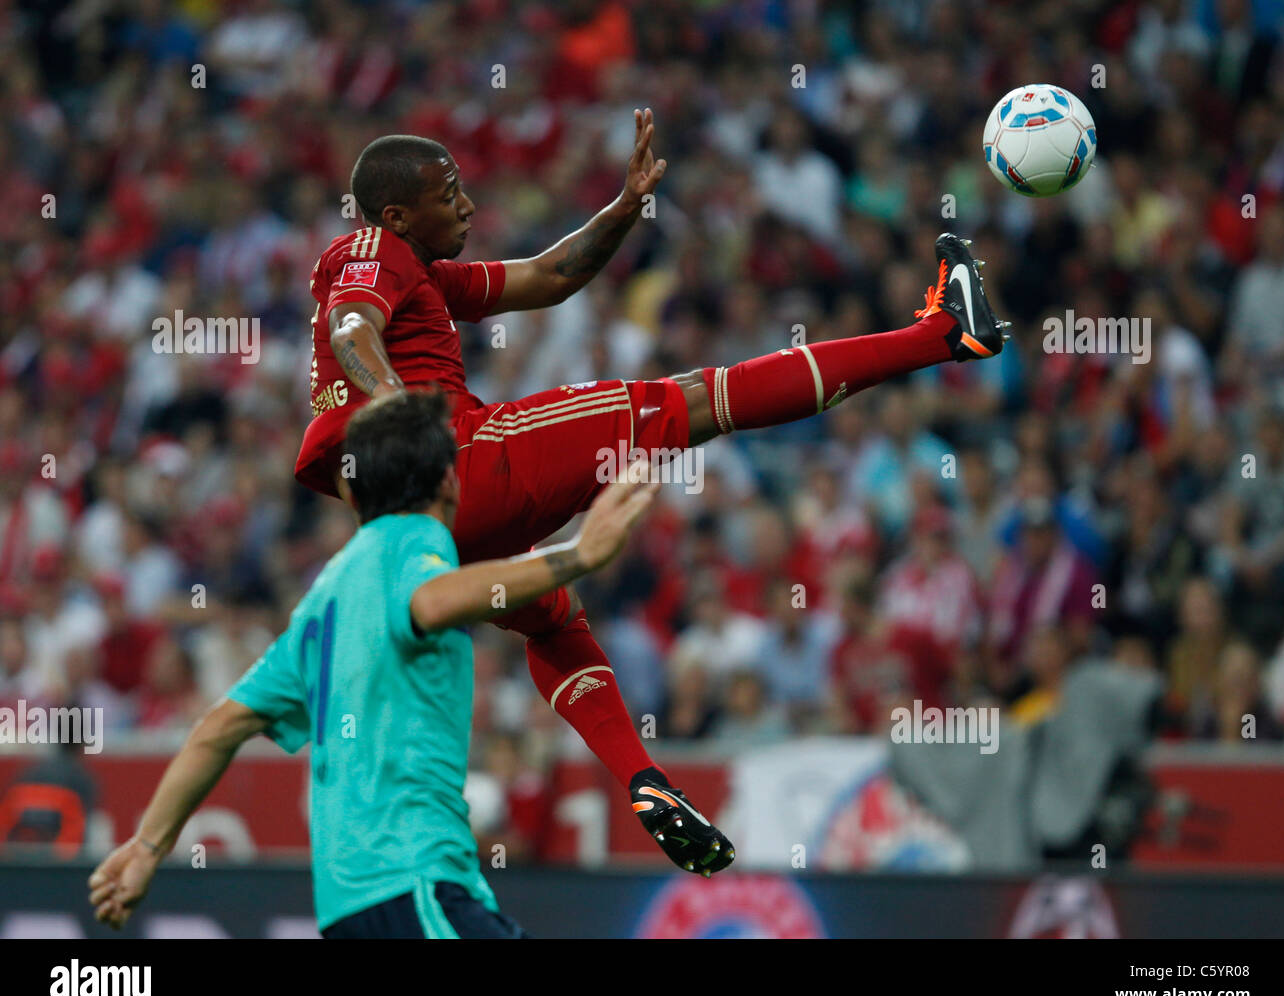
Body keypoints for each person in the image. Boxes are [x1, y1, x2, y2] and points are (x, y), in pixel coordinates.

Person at [295, 110, 1007, 868]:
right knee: (696, 400)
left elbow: (551, 275)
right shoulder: (372, 248)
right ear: (400, 214)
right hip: (460, 462)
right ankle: (943, 334)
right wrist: (408, 422)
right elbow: (350, 332)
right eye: (450, 192)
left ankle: (643, 777)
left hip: (420, 526)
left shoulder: (425, 274)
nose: (467, 204)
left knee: (553, 626)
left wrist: (624, 206)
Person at [87, 390, 734, 938]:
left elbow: (217, 726)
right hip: (416, 882)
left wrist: (147, 846)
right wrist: (578, 555)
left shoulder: (320, 601)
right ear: (449, 479)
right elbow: (430, 599)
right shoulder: (417, 539)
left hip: (347, 909)